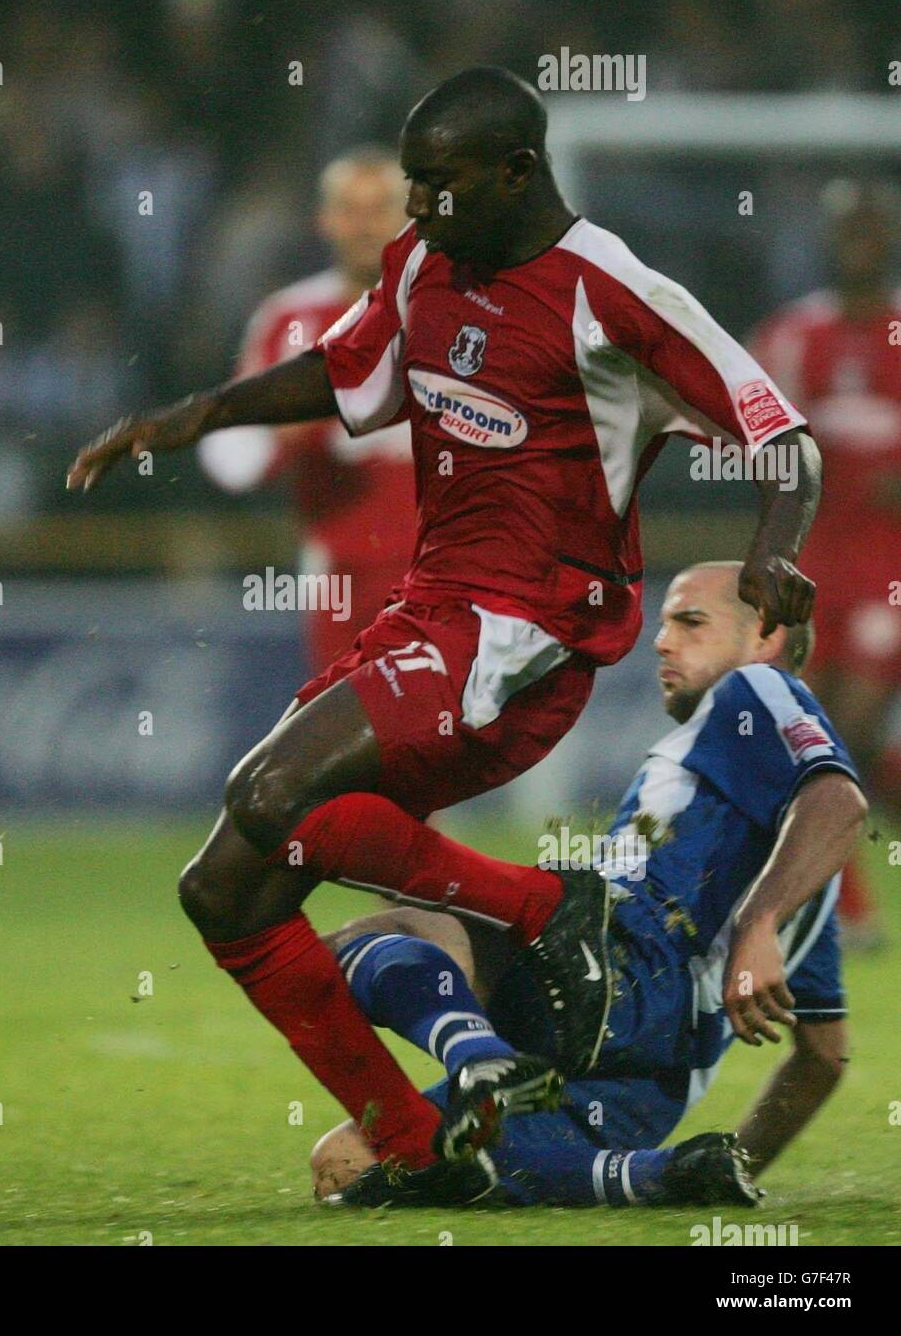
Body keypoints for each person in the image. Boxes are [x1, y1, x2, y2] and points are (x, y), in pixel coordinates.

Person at [66, 67, 821, 1194]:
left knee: (273, 796)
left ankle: (547, 910)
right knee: (223, 889)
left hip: (526, 632)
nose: (413, 207)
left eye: (436, 184)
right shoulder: (424, 263)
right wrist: (206, 411)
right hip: (425, 613)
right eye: (409, 183)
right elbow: (345, 369)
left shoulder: (613, 292)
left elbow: (782, 439)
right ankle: (428, 1153)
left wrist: (773, 549)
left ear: (515, 170)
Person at [311, 562, 864, 1207]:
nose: (662, 641)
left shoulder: (759, 689)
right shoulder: (804, 880)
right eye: (663, 624)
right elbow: (822, 1059)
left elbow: (839, 798)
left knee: (384, 929)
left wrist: (758, 925)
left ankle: (478, 1057)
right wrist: (740, 1159)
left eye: (690, 623)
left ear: (766, 638)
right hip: (640, 1094)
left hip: (612, 975)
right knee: (347, 1164)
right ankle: (656, 1177)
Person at [751, 179, 901, 948]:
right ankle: (842, 907)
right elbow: (751, 430)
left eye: (874, 229)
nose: (861, 244)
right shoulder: (791, 334)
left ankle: (841, 904)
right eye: (849, 230)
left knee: (854, 728)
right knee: (807, 732)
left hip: (888, 564)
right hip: (814, 560)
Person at [198, 147, 415, 675]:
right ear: (324, 220)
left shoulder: (460, 303)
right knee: (344, 730)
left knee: (454, 734)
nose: (364, 225)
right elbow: (229, 449)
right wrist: (286, 436)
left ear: (410, 216)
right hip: (340, 565)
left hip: (448, 564)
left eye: (380, 207)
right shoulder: (288, 318)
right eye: (349, 209)